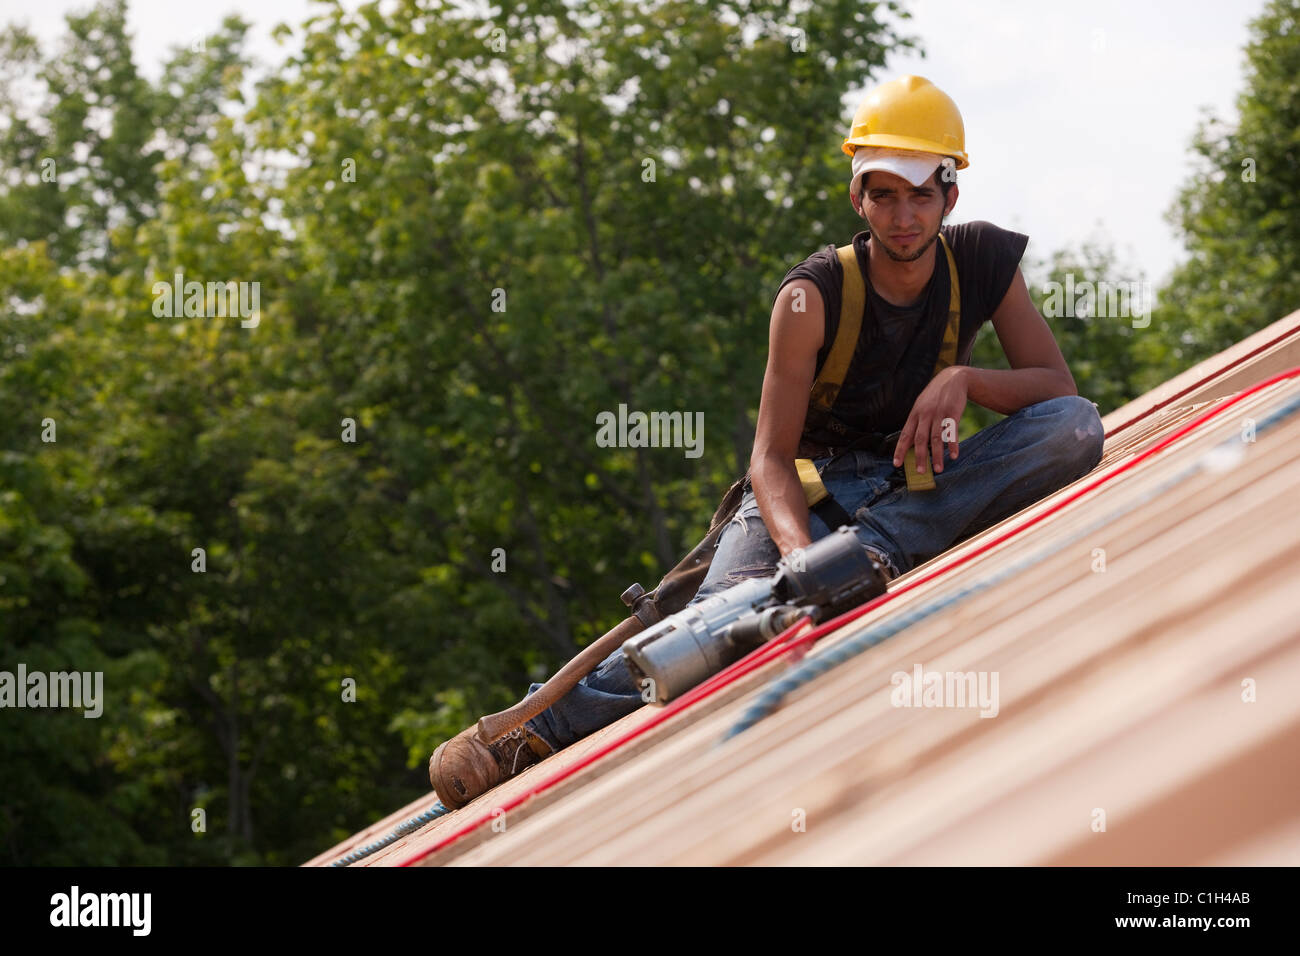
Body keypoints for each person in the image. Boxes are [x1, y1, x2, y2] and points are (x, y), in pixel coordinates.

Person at [429, 75, 1105, 807]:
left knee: (1073, 429)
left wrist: (966, 380)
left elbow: (1056, 388)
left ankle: (874, 549)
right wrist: (802, 560)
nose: (902, 215)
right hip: (803, 499)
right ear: (858, 198)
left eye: (919, 195)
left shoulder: (981, 263)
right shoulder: (812, 295)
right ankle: (541, 725)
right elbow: (770, 460)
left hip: (913, 489)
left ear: (950, 194)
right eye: (883, 195)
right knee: (717, 628)